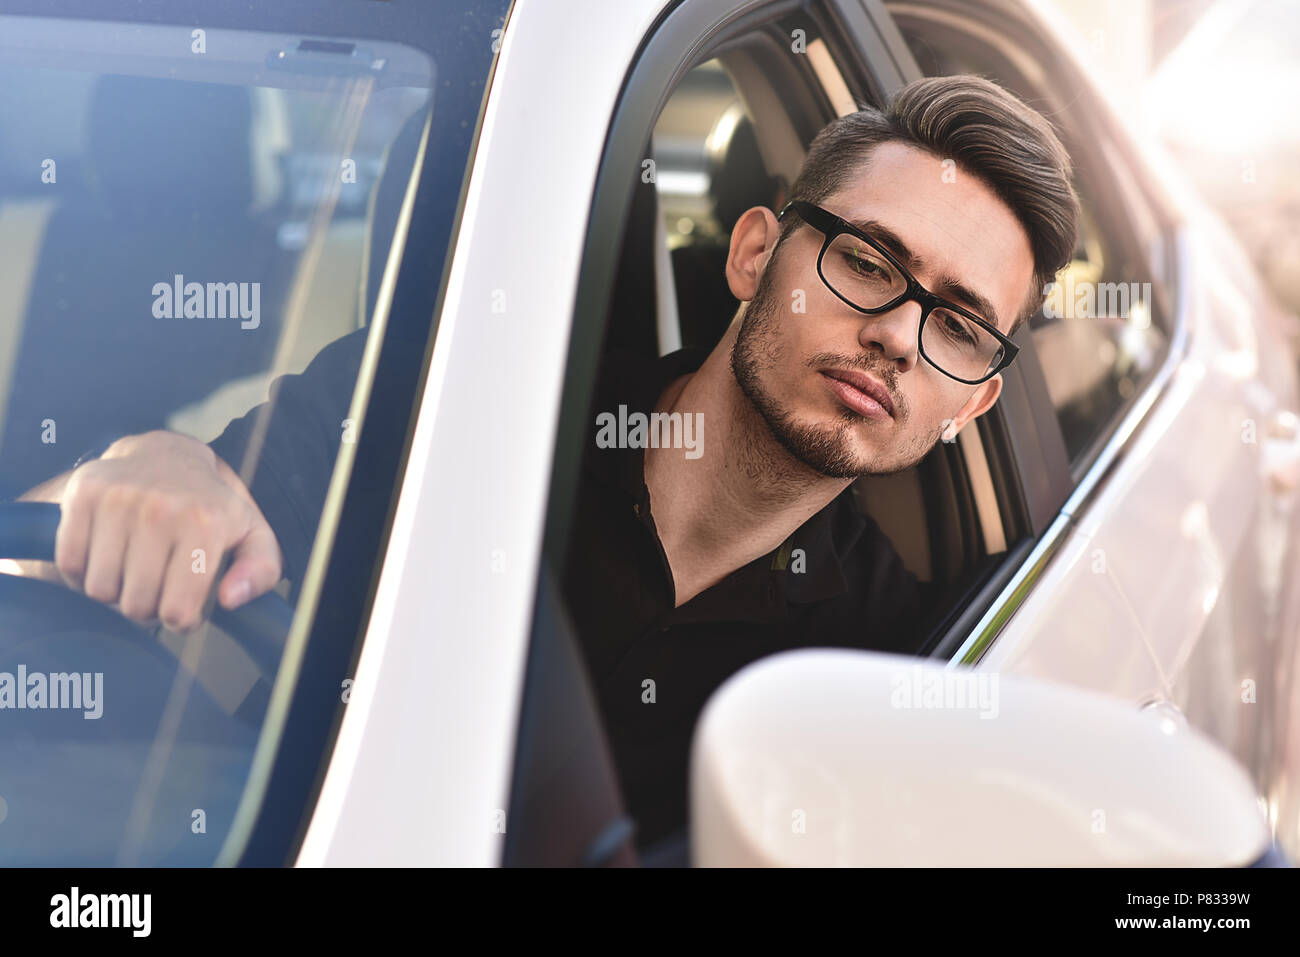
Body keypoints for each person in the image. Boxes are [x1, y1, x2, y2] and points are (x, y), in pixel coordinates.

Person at [16, 74, 1079, 847]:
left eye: (957, 326)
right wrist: (151, 471)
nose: (898, 333)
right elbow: (100, 523)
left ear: (973, 400)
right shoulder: (452, 409)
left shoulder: (891, 667)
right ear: (755, 253)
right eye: (867, 260)